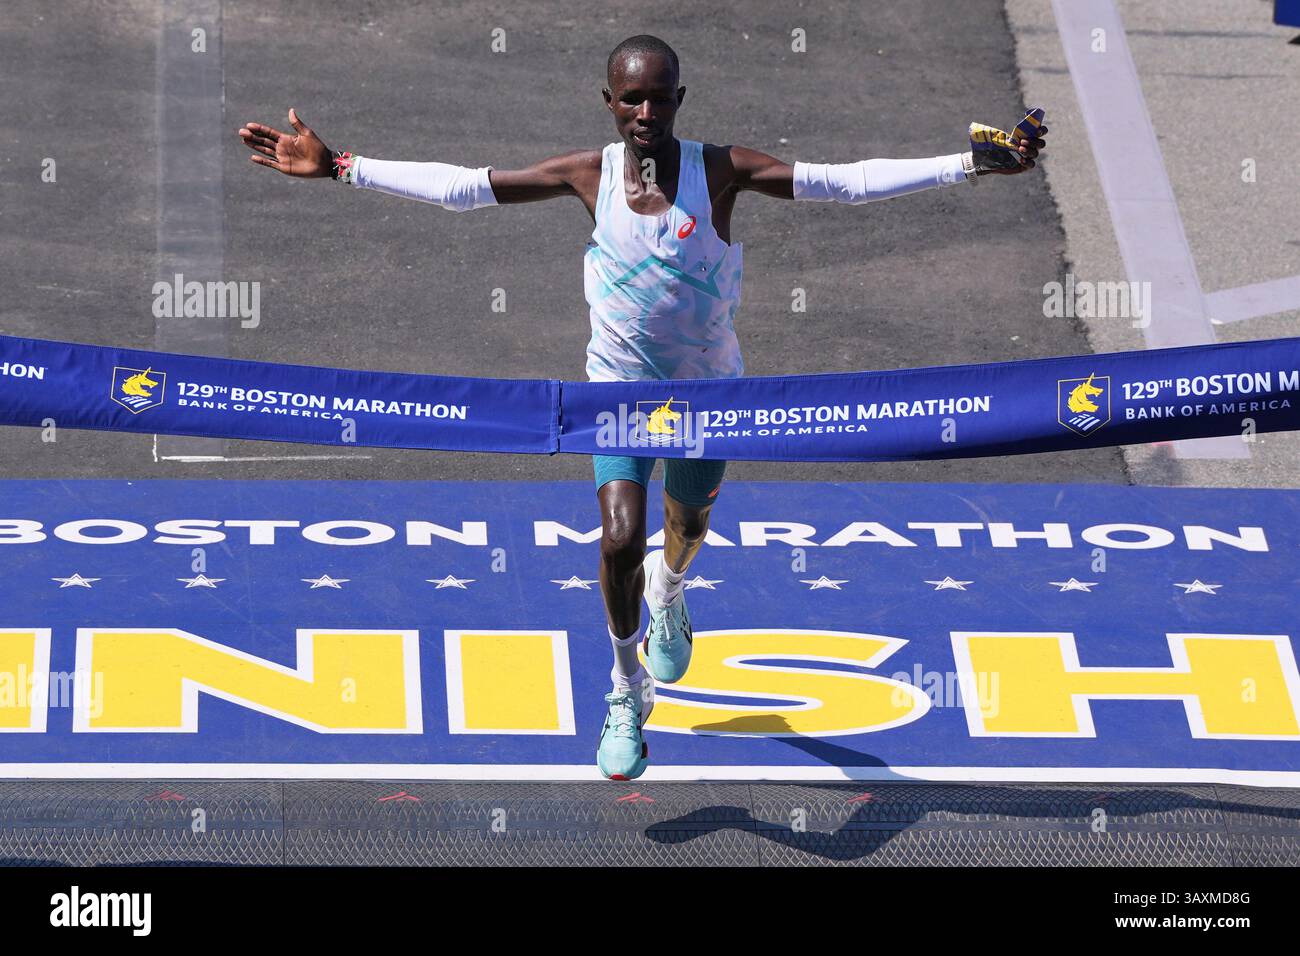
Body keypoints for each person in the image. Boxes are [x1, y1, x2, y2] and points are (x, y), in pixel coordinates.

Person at [237, 34, 1046, 781]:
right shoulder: (587, 176)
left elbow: (843, 182)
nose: (646, 113)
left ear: (680, 100)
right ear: (609, 102)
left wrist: (970, 164)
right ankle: (626, 693)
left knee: (680, 536)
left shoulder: (720, 171)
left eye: (660, 98)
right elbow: (463, 191)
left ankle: (672, 591)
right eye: (631, 100)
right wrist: (340, 164)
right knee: (619, 535)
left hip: (708, 399)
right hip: (615, 396)